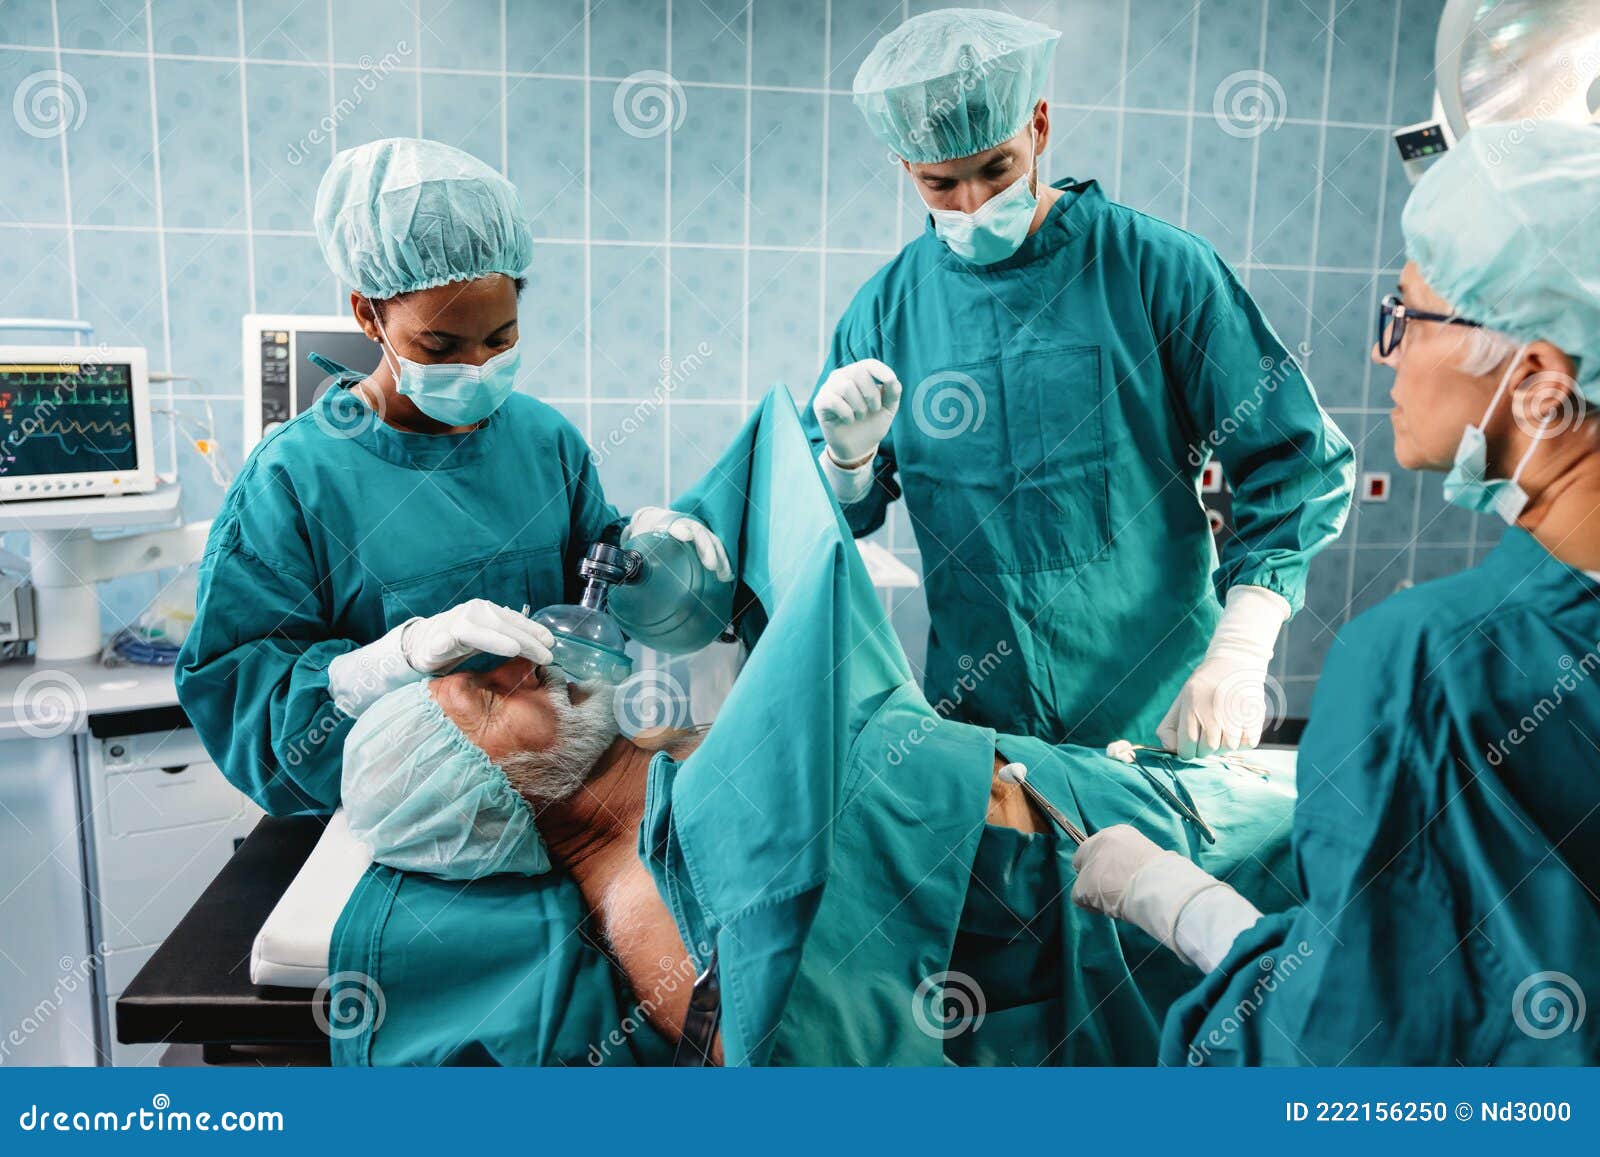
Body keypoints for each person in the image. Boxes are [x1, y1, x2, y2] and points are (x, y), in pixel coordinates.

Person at [335, 388, 1302, 1067]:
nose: (522, 661)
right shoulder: (639, 891)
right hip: (1115, 891)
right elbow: (792, 1049)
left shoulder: (658, 757)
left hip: (1124, 796)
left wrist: (747, 531)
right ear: (494, 799)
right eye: (489, 695)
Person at [1071, 121, 1600, 1065]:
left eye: (1408, 317)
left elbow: (1332, 1066)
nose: (1386, 353)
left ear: (1538, 386)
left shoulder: (1426, 669)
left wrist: (1186, 907)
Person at [803, 8, 1354, 754]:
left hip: (1157, 713)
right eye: (941, 183)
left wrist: (1242, 646)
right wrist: (846, 466)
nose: (973, 204)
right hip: (981, 721)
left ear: (1039, 124)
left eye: (996, 168)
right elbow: (842, 522)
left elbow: (1295, 460)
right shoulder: (886, 312)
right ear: (906, 168)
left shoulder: (1156, 269)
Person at [177, 138, 728, 817]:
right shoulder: (293, 480)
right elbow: (249, 718)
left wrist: (650, 556)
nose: (475, 368)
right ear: (367, 314)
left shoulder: (543, 441)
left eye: (500, 339)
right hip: (405, 826)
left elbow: (593, 596)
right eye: (439, 346)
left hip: (556, 803)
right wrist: (393, 660)